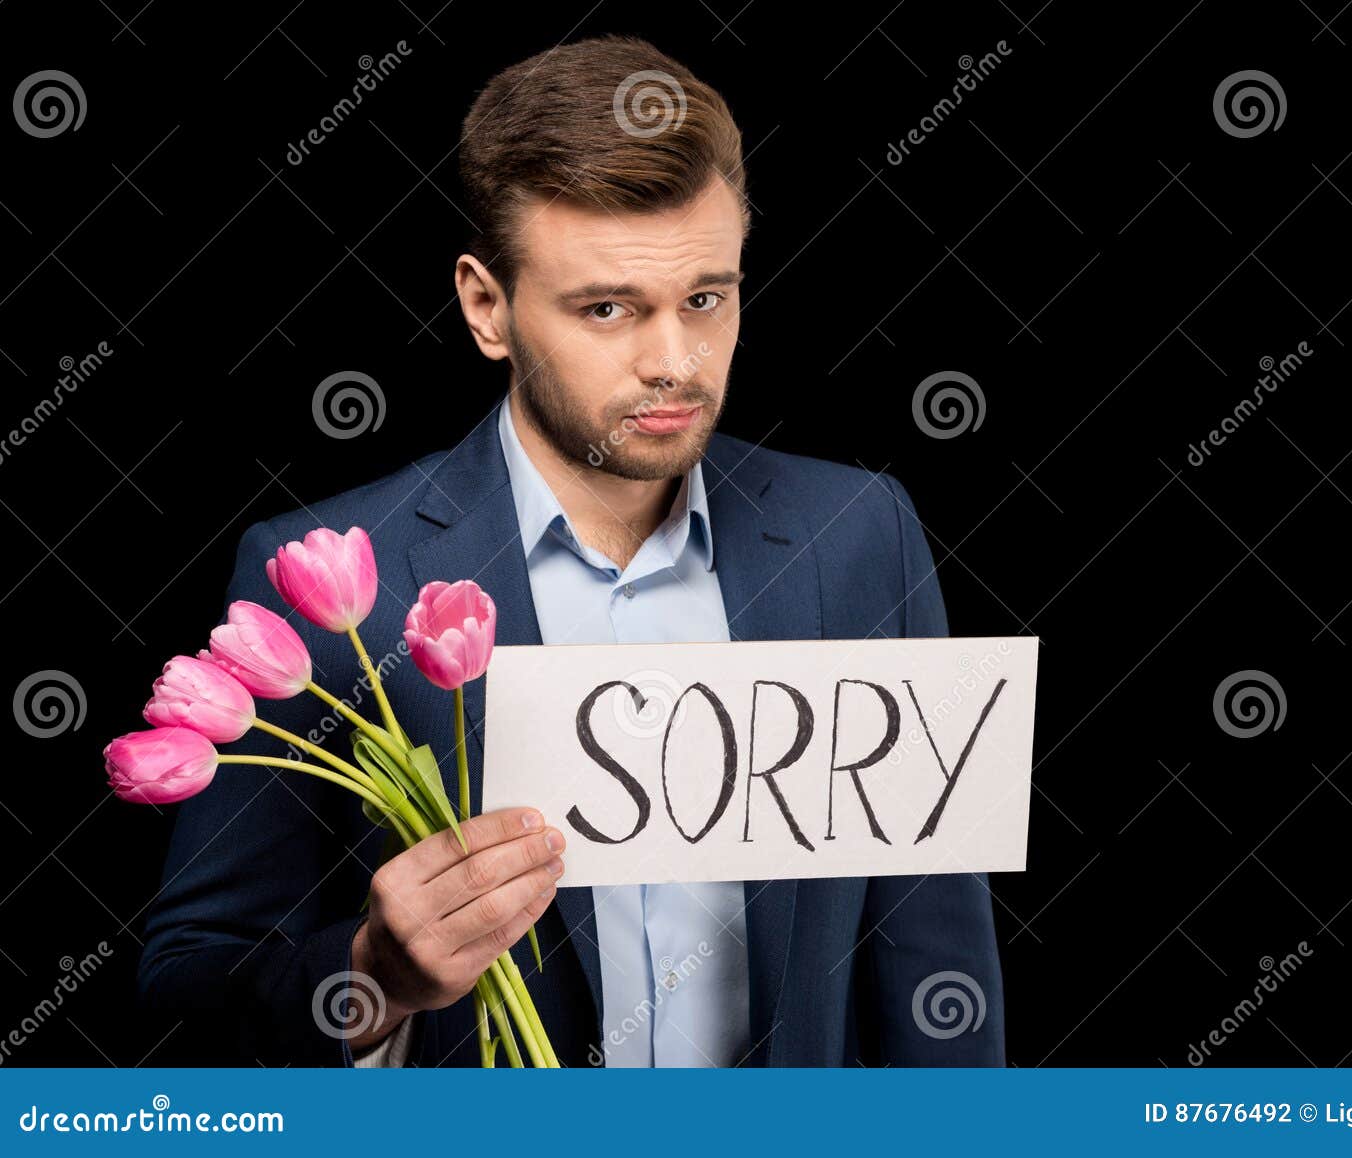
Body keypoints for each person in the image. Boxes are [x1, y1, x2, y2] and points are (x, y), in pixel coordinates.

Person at [137, 34, 1003, 1067]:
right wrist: (372, 975)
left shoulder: (858, 534)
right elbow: (191, 991)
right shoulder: (330, 580)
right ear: (486, 306)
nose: (673, 362)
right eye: (606, 309)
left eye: (706, 299)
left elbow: (932, 961)